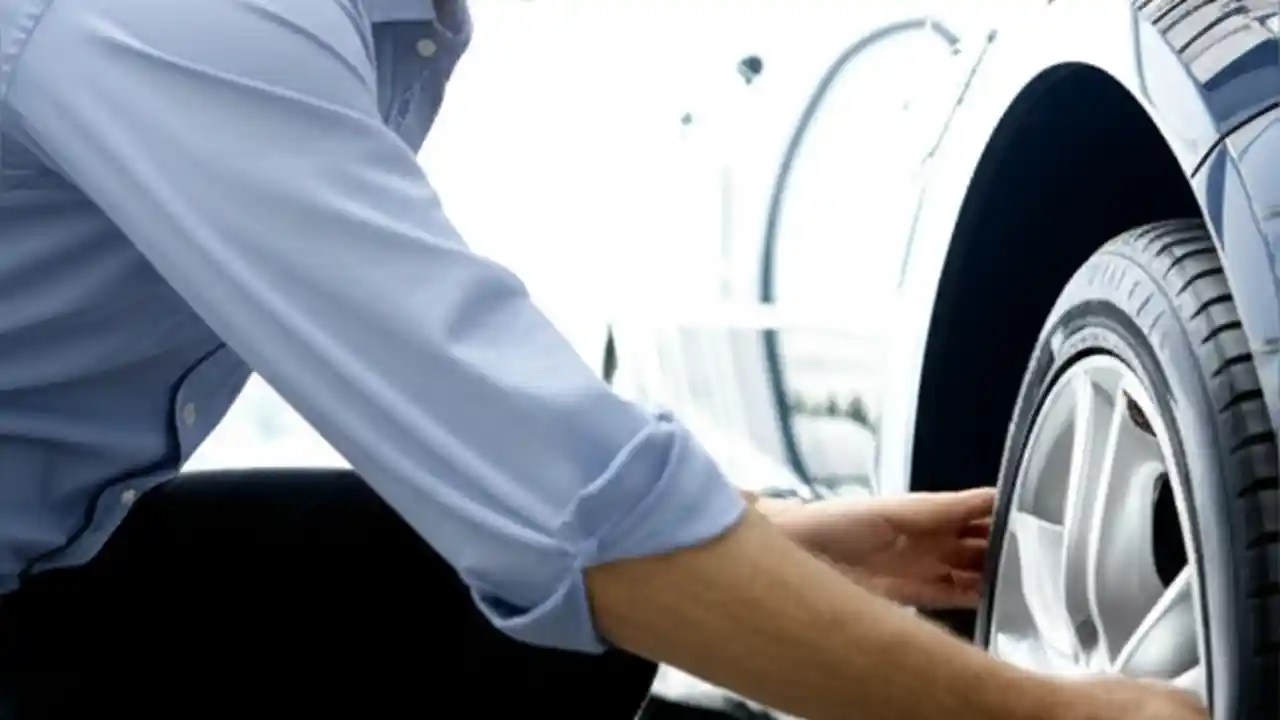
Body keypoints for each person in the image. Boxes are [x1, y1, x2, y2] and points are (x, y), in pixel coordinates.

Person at [0, 1, 1209, 718]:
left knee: (471, 593)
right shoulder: (185, 19)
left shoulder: (376, 28)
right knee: (557, 599)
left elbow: (516, 494)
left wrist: (822, 545)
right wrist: (1039, 713)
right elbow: (546, 498)